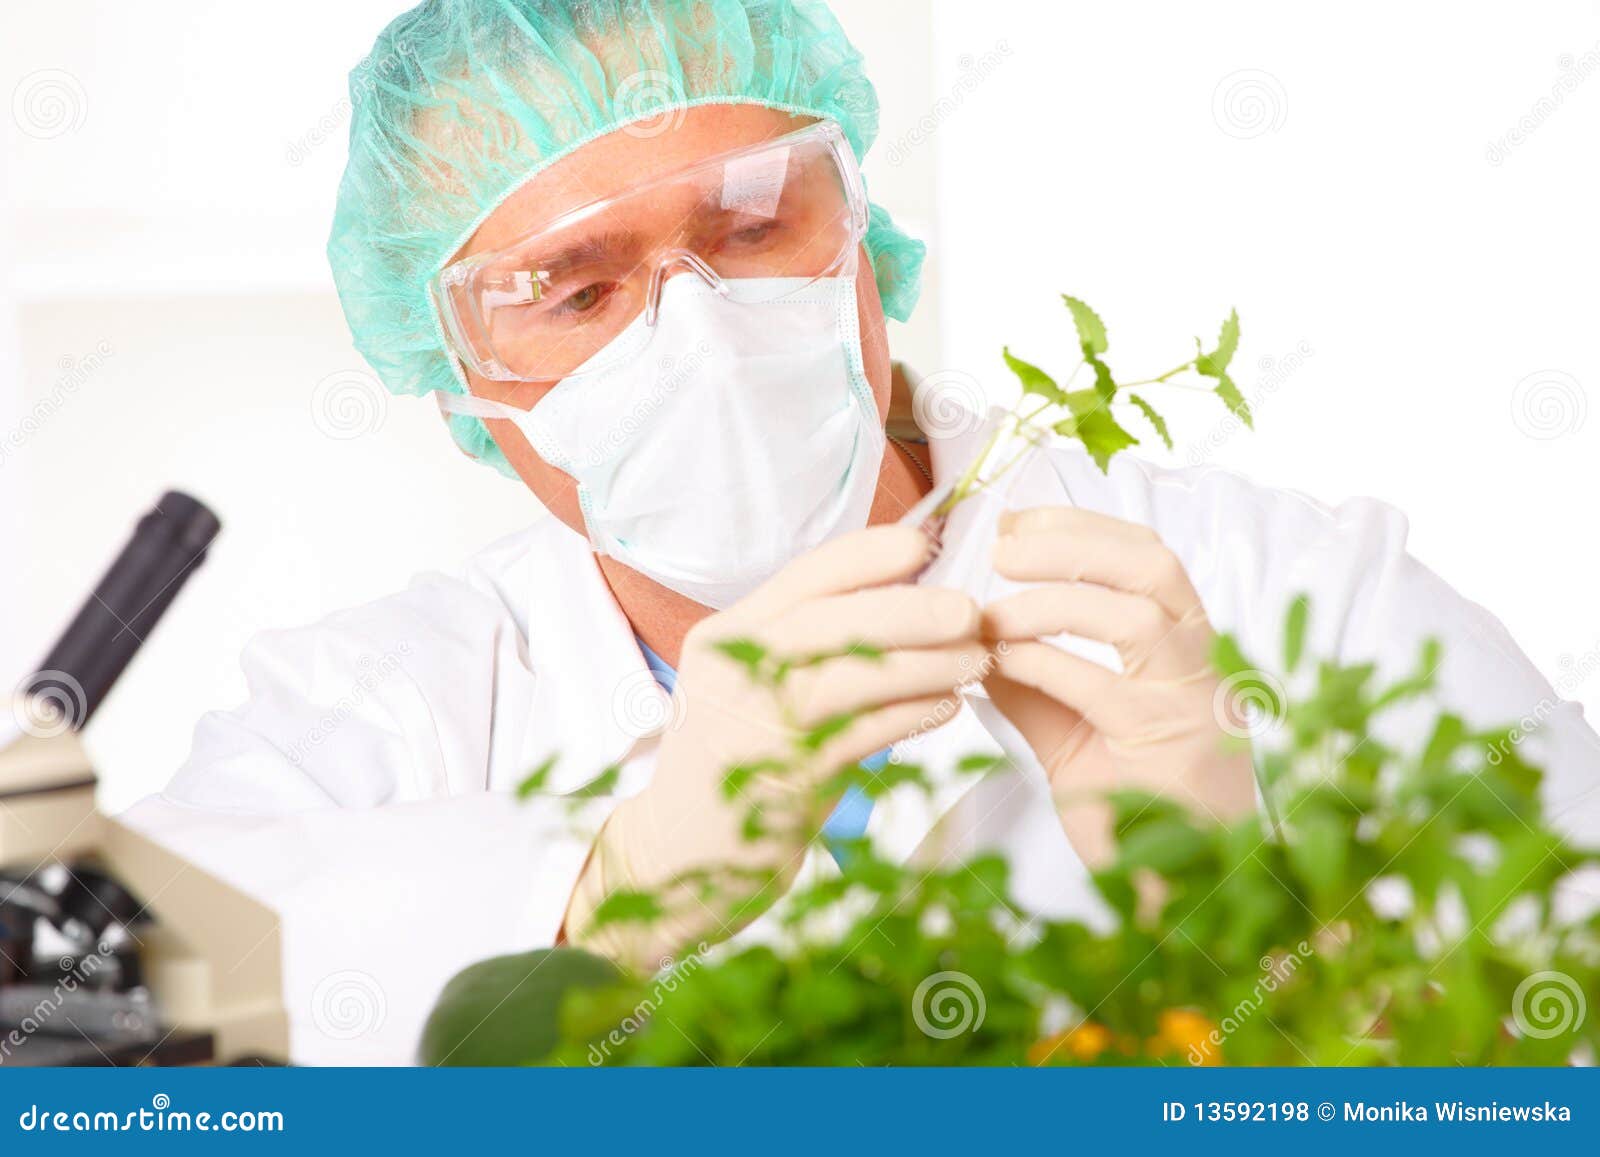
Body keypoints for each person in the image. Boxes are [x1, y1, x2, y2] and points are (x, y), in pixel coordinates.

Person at [124, 0, 1598, 1062]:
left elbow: (1562, 1021)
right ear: (465, 388)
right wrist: (602, 891)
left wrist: (1251, 930)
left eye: (755, 224)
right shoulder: (381, 709)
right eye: (578, 290)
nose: (694, 329)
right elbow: (90, 1031)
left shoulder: (1281, 595)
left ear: (866, 251)